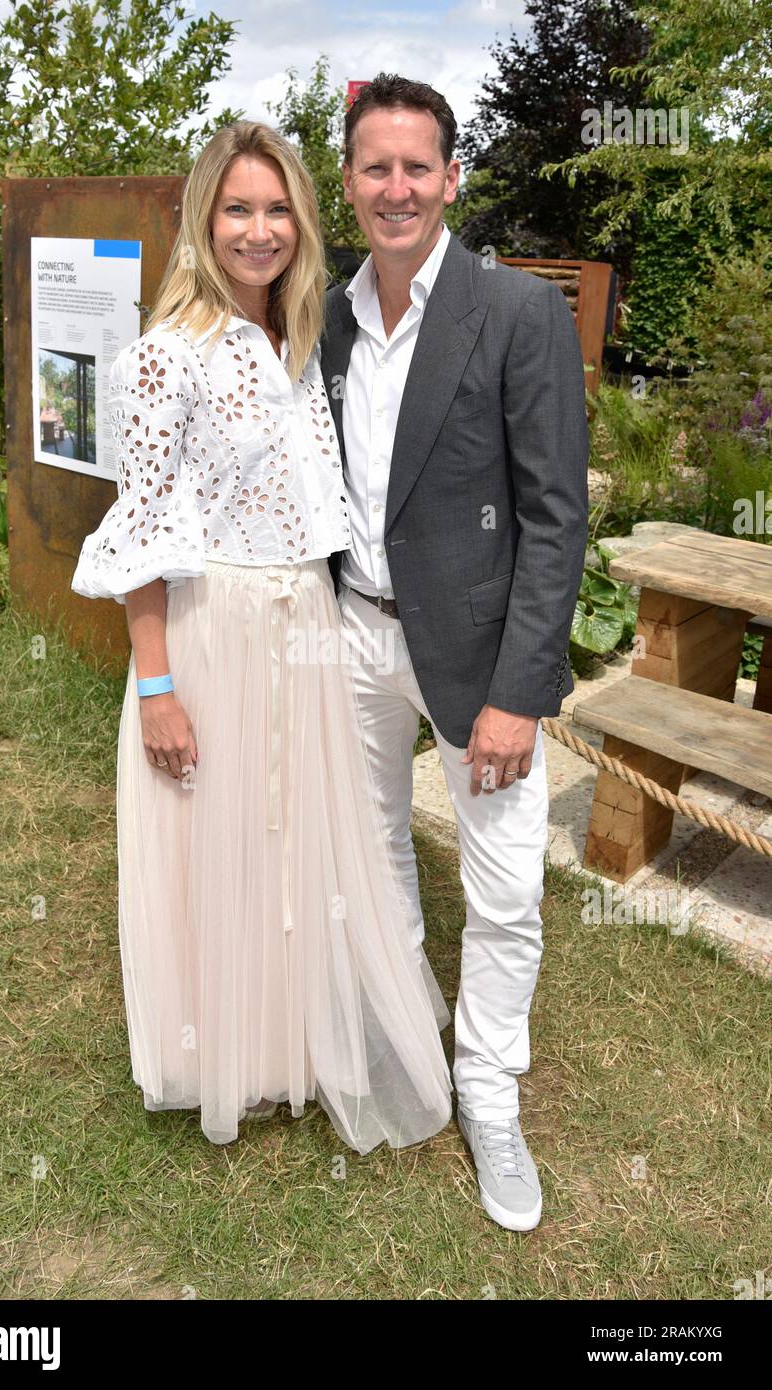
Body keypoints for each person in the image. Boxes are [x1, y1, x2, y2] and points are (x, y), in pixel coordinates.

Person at [71, 120, 453, 1155]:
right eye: (236, 207)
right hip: (213, 633)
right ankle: (215, 1052)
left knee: (294, 839)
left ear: (301, 219)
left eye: (276, 207)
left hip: (307, 626)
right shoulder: (163, 359)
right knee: (217, 843)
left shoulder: (298, 343)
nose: (257, 229)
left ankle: (287, 1045)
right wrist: (156, 687)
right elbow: (141, 534)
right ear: (202, 219)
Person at [321, 75, 589, 1228]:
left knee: (505, 887)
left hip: (477, 665)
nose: (394, 189)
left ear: (450, 177)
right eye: (372, 167)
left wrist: (519, 694)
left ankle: (486, 1086)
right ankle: (403, 1023)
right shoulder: (325, 313)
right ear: (346, 182)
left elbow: (554, 516)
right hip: (348, 636)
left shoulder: (516, 312)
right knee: (374, 853)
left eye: (414, 167)